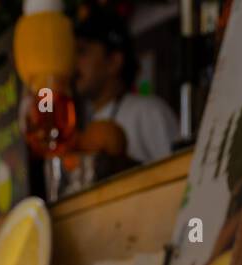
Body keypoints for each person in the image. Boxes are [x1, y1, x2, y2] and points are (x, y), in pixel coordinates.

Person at [74, 8, 179, 165]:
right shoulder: (89, 126)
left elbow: (178, 176)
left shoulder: (148, 112)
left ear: (113, 61)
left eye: (82, 51)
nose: (74, 63)